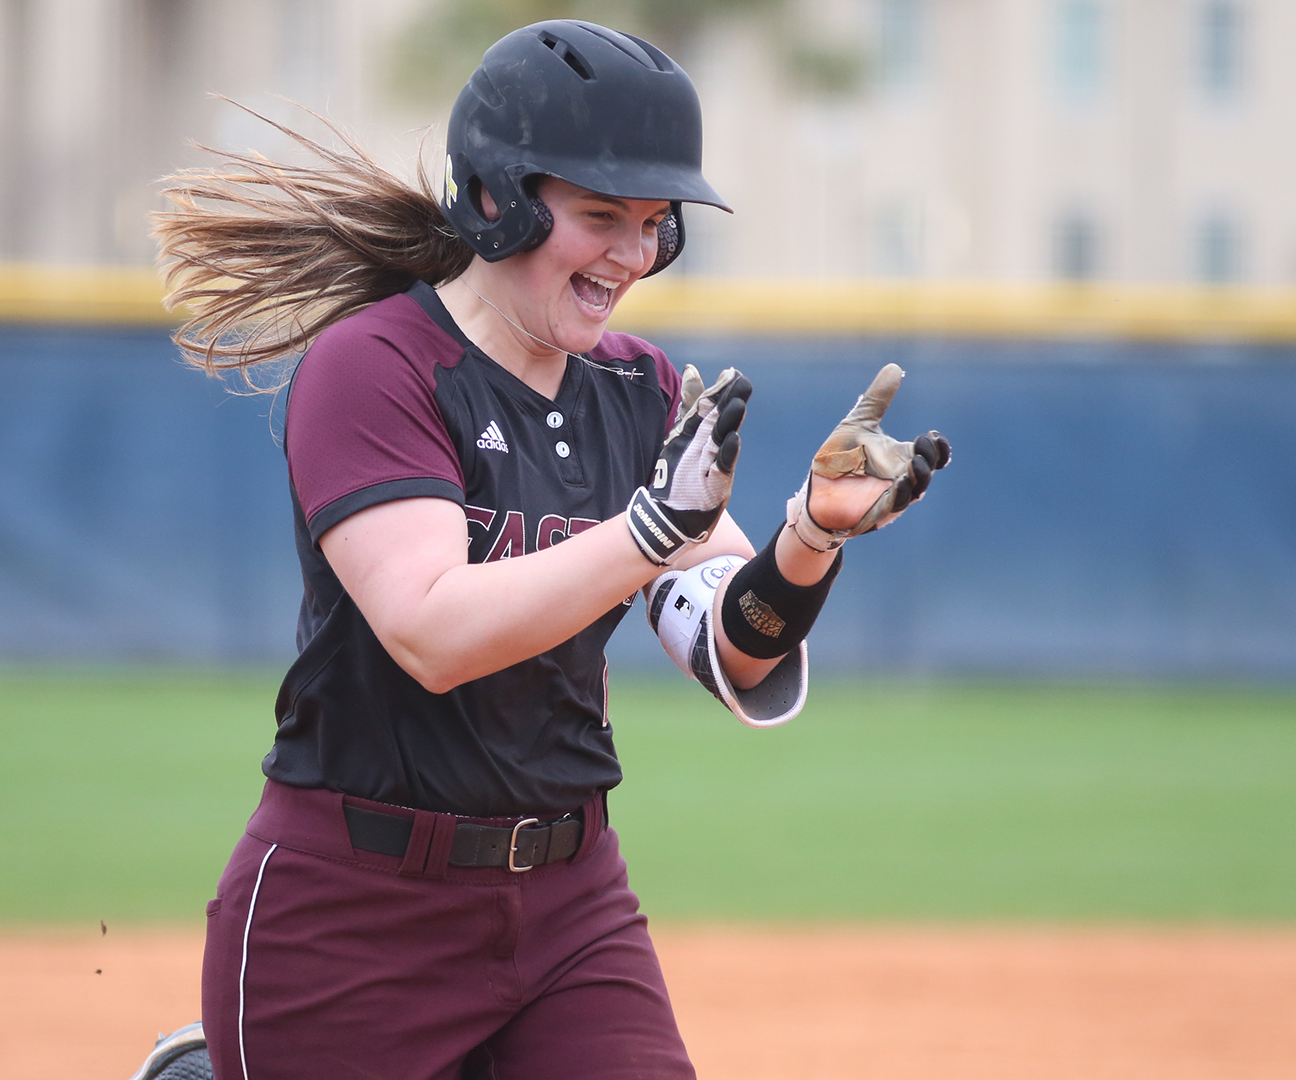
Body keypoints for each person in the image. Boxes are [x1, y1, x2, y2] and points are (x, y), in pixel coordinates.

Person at [143, 19, 949, 1080]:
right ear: (495, 199)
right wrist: (647, 533)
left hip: (569, 905)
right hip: (352, 911)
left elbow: (729, 649)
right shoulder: (375, 367)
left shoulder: (641, 390)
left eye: (655, 223)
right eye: (601, 215)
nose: (631, 253)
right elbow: (429, 630)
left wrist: (808, 536)